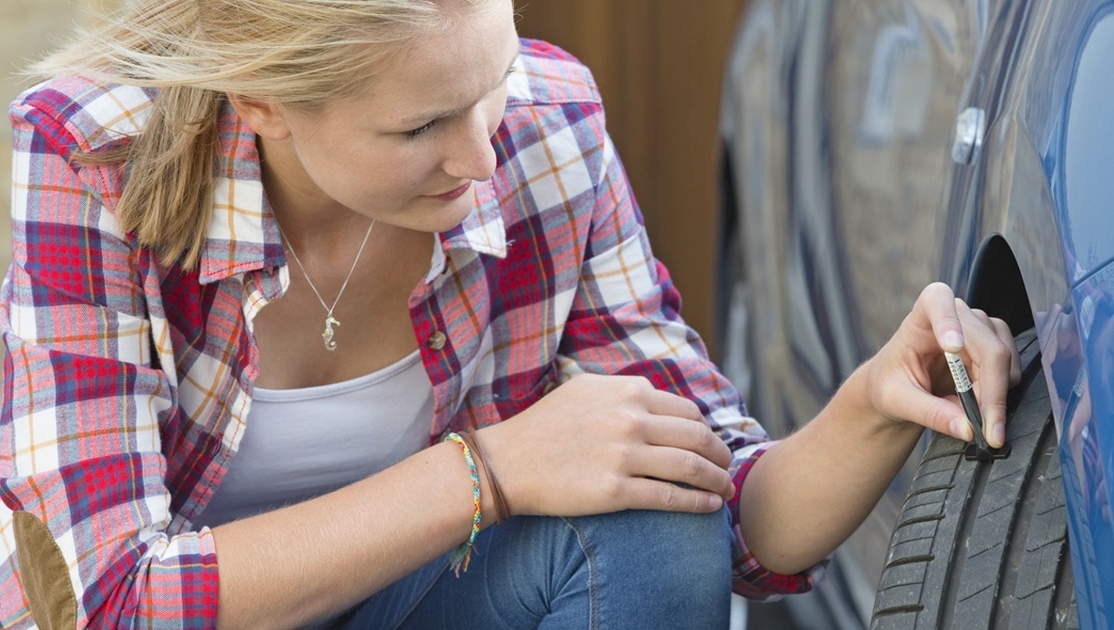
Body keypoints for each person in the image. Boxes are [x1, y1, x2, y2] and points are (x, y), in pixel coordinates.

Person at [0, 0, 1019, 627]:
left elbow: (732, 514)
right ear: (260, 103)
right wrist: (486, 474)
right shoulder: (96, 162)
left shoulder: (546, 130)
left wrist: (878, 403)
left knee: (652, 517)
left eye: (491, 85)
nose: (484, 158)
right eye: (422, 126)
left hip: (425, 611)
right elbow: (110, 604)